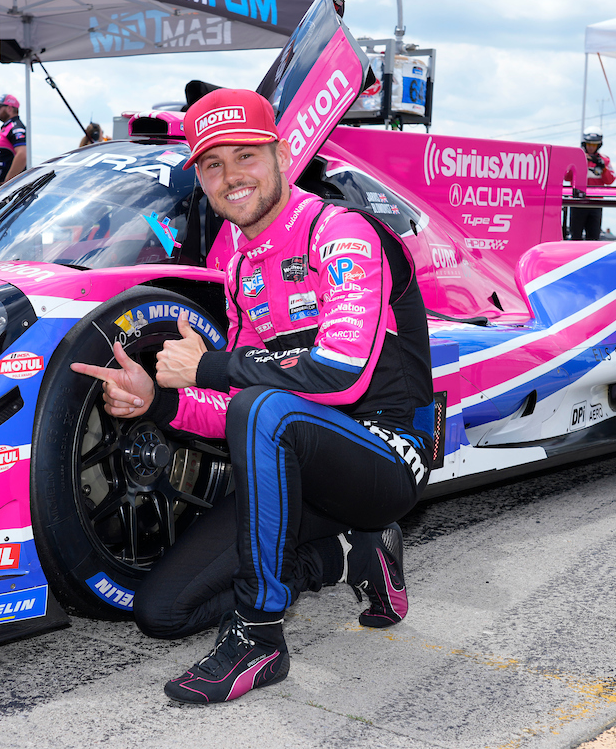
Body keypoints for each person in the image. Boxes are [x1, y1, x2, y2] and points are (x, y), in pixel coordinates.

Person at [71, 88, 434, 704]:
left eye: (246, 156)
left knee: (262, 407)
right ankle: (346, 557)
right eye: (213, 164)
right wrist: (157, 401)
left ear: (283, 154)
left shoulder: (339, 231)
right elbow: (231, 407)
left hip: (386, 457)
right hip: (300, 468)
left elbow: (339, 375)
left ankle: (260, 636)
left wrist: (210, 364)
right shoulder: (240, 266)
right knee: (164, 612)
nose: (231, 176)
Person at [567, 128, 615, 240]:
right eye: (589, 144)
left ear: (599, 145)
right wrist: (579, 162)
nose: (591, 147)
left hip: (595, 203)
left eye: (594, 144)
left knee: (593, 238)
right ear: (584, 143)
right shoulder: (576, 157)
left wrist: (603, 168)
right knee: (575, 238)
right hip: (577, 202)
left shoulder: (605, 160)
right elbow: (566, 177)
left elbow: (610, 181)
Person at [0, 93, 27, 184]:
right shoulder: (6, 127)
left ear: (9, 108)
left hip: (9, 189)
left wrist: (8, 182)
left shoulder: (16, 127)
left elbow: (22, 155)